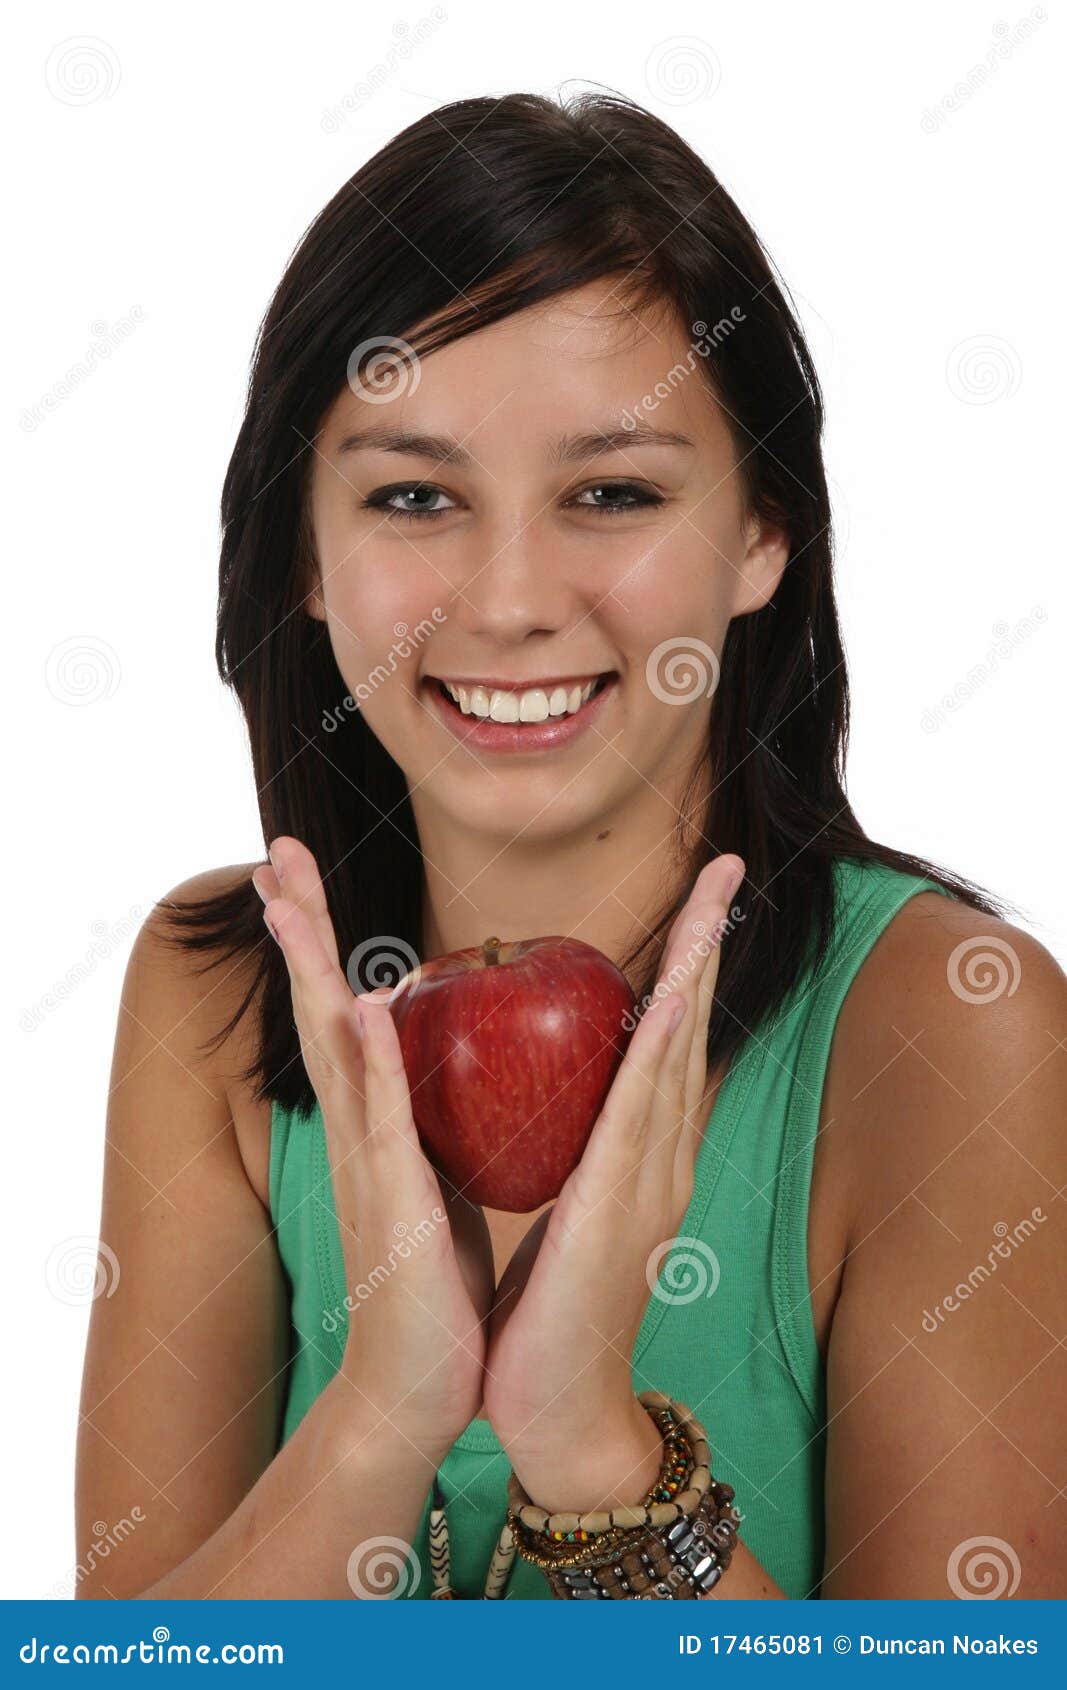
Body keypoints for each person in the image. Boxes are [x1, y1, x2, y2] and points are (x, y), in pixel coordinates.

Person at [76, 90, 1066, 1601]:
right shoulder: (213, 995)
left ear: (763, 535)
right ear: (304, 558)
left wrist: (593, 1446)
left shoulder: (954, 1027)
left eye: (612, 493)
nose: (513, 597)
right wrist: (381, 1415)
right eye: (415, 494)